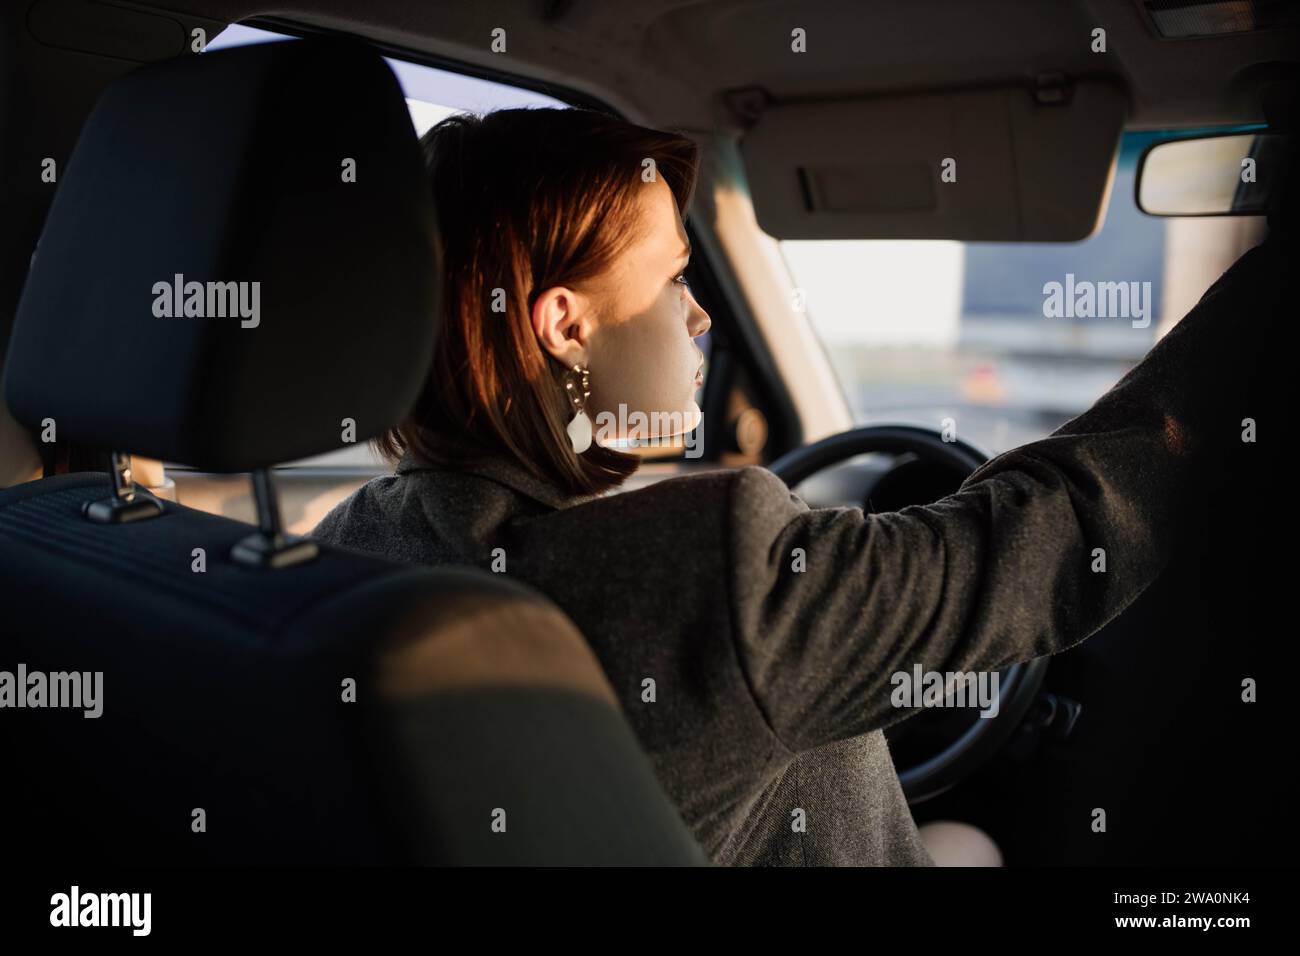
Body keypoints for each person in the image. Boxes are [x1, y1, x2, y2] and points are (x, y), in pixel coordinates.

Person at [311, 107, 1283, 865]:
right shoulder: (721, 578)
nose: (697, 316)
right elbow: (1059, 532)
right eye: (672, 280)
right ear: (563, 323)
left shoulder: (345, 548)